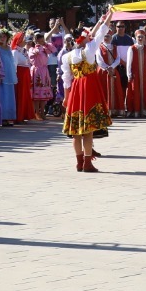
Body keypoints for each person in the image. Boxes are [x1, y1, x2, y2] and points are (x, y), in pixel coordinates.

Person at [62, 11, 114, 172]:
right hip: (89, 90)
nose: (90, 37)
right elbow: (102, 32)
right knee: (88, 130)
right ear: (83, 39)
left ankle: (79, 162)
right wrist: (110, 15)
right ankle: (87, 163)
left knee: (76, 131)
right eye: (87, 36)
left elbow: (66, 79)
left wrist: (66, 98)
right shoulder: (90, 50)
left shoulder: (67, 57)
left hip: (75, 92)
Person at [0, 30, 18, 127]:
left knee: (10, 97)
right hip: (2, 75)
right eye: (0, 36)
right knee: (2, 97)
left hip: (10, 75)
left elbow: (11, 63)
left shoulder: (9, 48)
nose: (2, 38)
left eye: (4, 36)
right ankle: (1, 118)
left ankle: (9, 117)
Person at [29, 32, 53, 120]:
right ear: (36, 40)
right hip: (37, 71)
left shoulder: (45, 48)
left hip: (44, 71)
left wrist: (46, 44)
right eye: (40, 39)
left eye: (43, 39)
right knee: (37, 95)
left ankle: (42, 112)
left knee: (43, 95)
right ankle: (37, 112)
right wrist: (38, 45)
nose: (42, 41)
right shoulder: (32, 48)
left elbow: (53, 50)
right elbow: (35, 53)